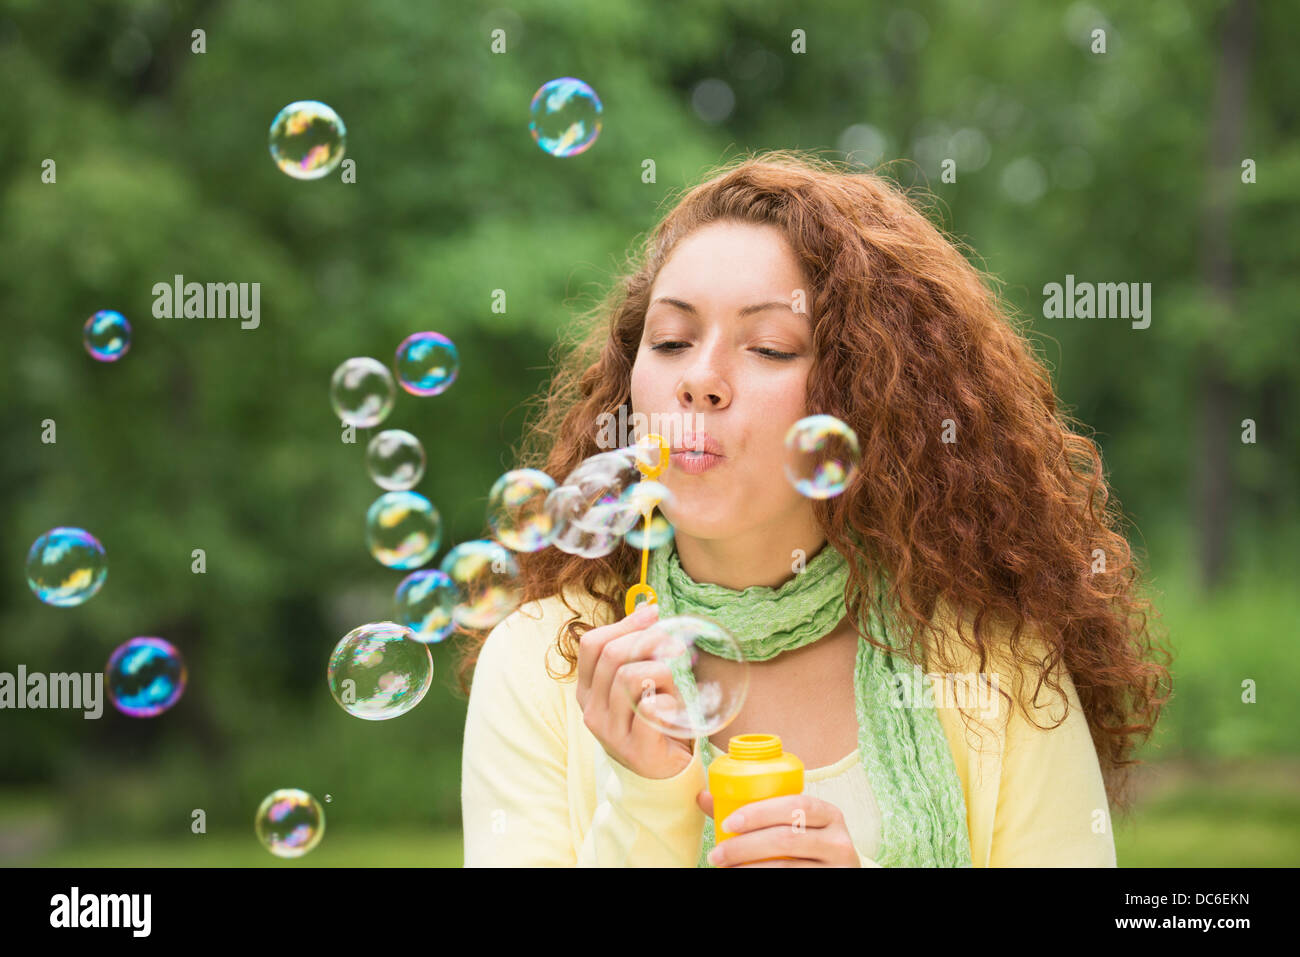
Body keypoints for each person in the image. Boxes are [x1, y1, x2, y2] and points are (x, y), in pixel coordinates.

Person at [456, 150, 1171, 867]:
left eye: (768, 347)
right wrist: (648, 794)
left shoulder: (995, 662)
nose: (699, 380)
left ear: (865, 393)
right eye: (671, 340)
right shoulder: (541, 661)